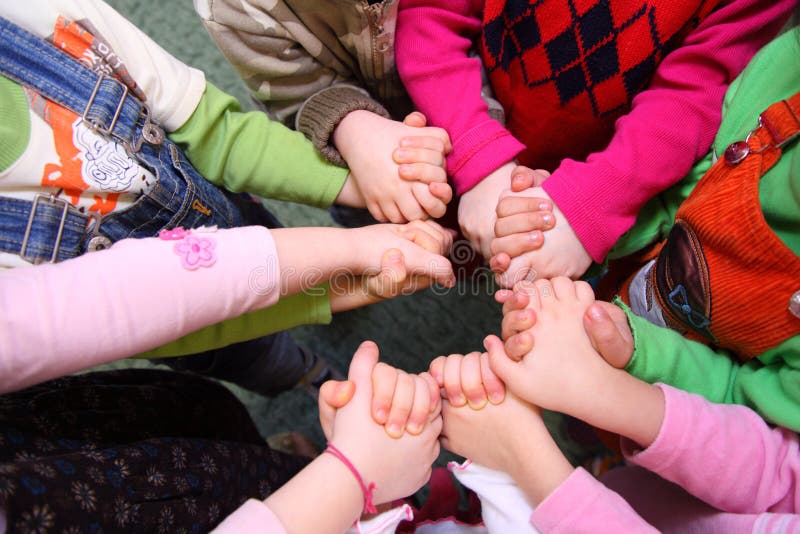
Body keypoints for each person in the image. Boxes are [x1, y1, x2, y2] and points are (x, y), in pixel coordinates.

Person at [0, 0, 452, 396]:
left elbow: (220, 135)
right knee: (257, 358)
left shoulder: (39, 17)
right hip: (199, 329)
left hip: (231, 218)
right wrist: (326, 294)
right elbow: (153, 322)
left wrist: (373, 184)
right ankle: (301, 374)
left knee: (263, 229)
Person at [498, 19, 800, 433]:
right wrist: (582, 216)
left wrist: (637, 352)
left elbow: (743, 411)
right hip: (618, 286)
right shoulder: (782, 71)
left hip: (675, 409)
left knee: (607, 441)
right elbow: (677, 198)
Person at [395, 0, 795, 283]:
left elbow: (694, 91)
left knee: (492, 266)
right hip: (442, 129)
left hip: (567, 194)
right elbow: (430, 15)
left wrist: (587, 205)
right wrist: (479, 159)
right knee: (404, 236)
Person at [432, 277, 800, 532]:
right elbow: (783, 477)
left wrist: (521, 451)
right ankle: (599, 457)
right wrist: (603, 392)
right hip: (647, 496)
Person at [194, 0, 457, 224]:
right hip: (350, 158)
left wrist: (479, 148)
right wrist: (354, 128)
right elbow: (293, 93)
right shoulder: (231, 8)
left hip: (462, 108)